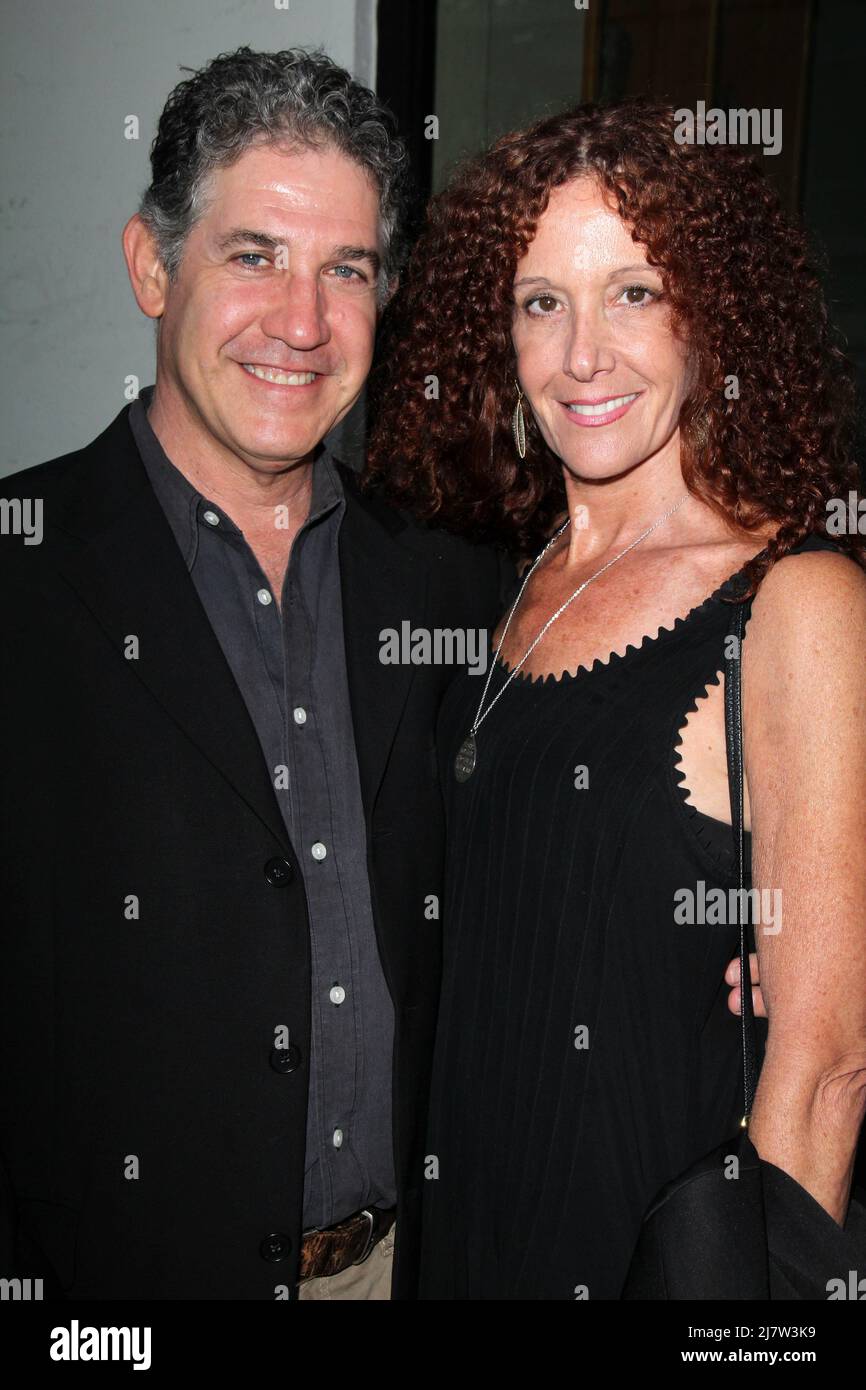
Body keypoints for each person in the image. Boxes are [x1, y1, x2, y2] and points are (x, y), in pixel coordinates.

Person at [0, 46, 513, 1301]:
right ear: (151, 266)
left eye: (345, 270)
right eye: (253, 256)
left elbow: (529, 851)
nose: (302, 321)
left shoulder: (446, 581)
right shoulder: (22, 575)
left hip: (398, 1270)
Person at [364, 97, 866, 1298]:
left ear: (714, 313)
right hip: (464, 1230)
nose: (582, 353)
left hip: (651, 1250)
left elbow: (826, 1066)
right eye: (542, 302)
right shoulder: (499, 573)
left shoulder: (793, 603)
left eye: (633, 292)